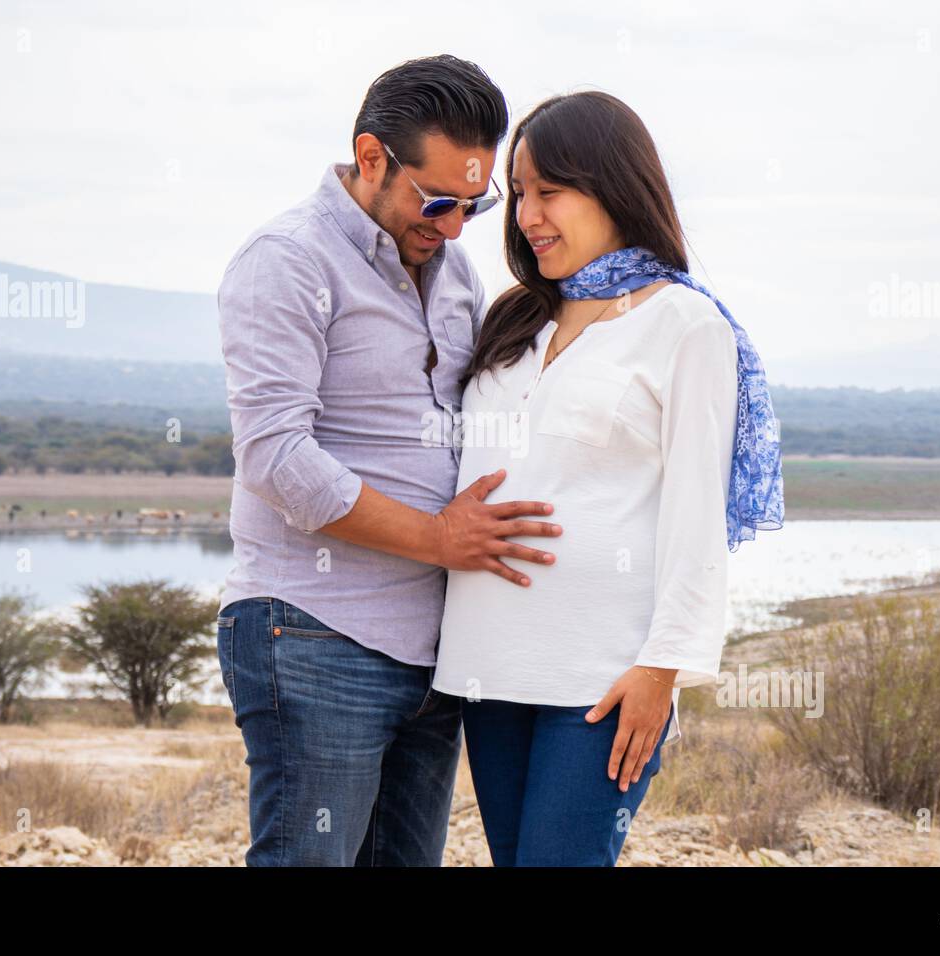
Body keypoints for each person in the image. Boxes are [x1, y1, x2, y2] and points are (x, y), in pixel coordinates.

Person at [214, 55, 564, 866]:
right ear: (370, 157)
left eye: (473, 208)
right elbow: (276, 457)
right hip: (309, 632)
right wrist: (439, 539)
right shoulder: (286, 261)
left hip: (431, 652)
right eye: (436, 200)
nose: (450, 227)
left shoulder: (458, 274)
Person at [432, 90, 784, 866]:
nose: (526, 215)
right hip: (486, 669)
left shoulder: (685, 326)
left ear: (615, 187)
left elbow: (695, 520)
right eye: (519, 193)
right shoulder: (515, 319)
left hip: (601, 678)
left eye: (549, 192)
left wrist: (663, 671)